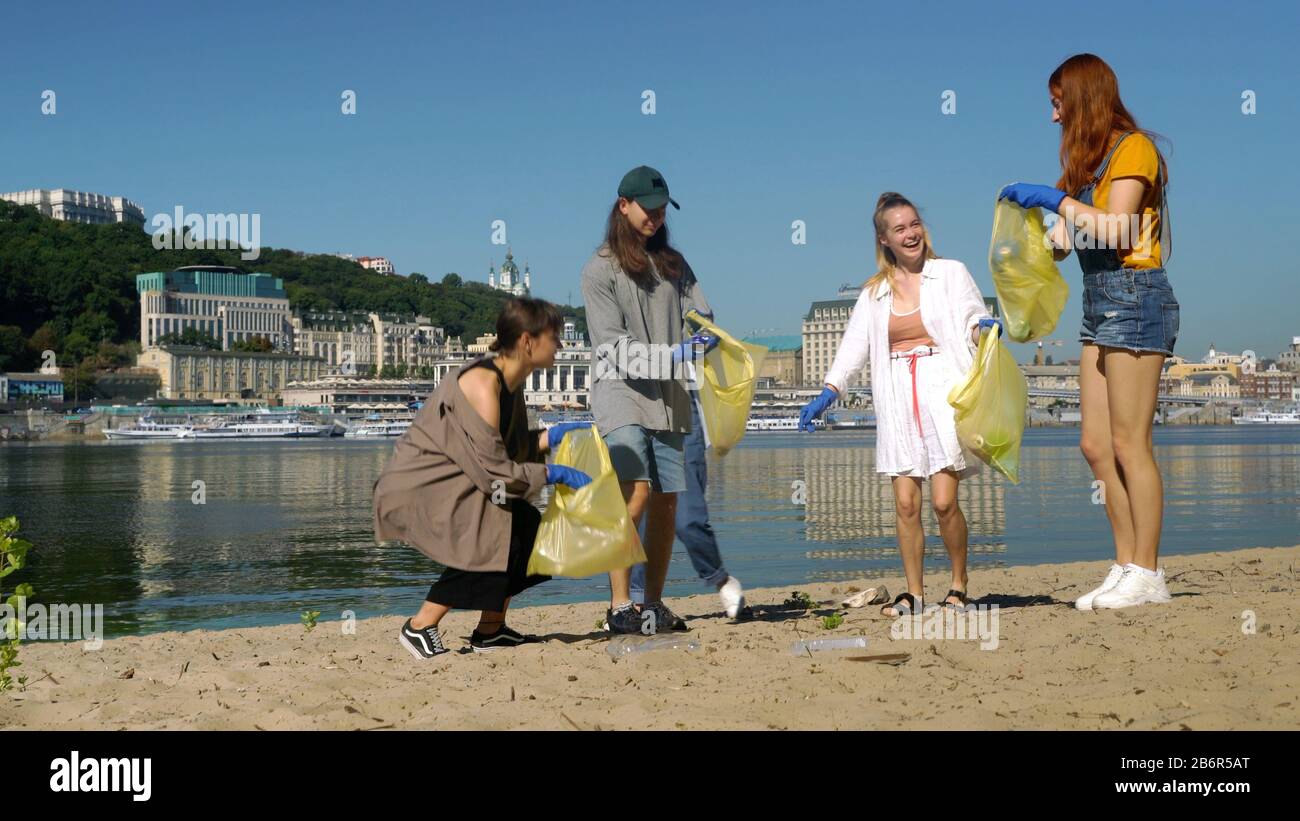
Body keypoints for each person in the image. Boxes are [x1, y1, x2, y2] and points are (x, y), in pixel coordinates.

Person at [999, 53, 1178, 610]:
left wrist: (1058, 201)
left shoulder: (1135, 148)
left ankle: (1149, 572)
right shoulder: (1087, 164)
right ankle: (1125, 564)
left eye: (1058, 104)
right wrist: (1041, 236)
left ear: (1081, 98)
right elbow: (1071, 235)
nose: (1054, 117)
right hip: (1099, 303)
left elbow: (1118, 225)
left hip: (1137, 296)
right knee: (1095, 444)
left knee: (1130, 444)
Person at [799, 192, 997, 617]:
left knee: (944, 502)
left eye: (914, 225)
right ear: (884, 239)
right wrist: (830, 391)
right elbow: (854, 347)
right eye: (900, 229)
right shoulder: (874, 294)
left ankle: (959, 584)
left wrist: (984, 329)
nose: (911, 234)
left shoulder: (950, 273)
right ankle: (914, 592)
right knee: (906, 504)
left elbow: (970, 320)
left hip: (942, 393)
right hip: (897, 401)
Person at [373, 298, 593, 659]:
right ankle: (420, 625)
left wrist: (550, 438)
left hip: (462, 476)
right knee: (494, 534)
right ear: (526, 341)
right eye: (554, 337)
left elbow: (512, 450)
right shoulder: (482, 382)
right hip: (425, 485)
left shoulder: (511, 380)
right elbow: (495, 470)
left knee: (526, 527)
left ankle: (490, 629)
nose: (561, 345)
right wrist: (553, 472)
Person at [581, 164, 717, 634]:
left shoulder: (675, 265)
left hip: (670, 393)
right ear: (623, 206)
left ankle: (653, 602)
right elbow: (612, 346)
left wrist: (705, 334)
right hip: (619, 388)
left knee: (666, 501)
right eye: (649, 211)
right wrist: (674, 353)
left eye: (662, 212)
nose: (657, 219)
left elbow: (701, 313)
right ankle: (620, 604)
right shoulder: (599, 269)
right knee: (634, 491)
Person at [629, 387, 747, 620]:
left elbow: (707, 353)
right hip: (632, 402)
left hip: (679, 399)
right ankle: (638, 602)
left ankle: (719, 577)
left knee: (687, 516)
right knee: (641, 513)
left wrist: (697, 349)